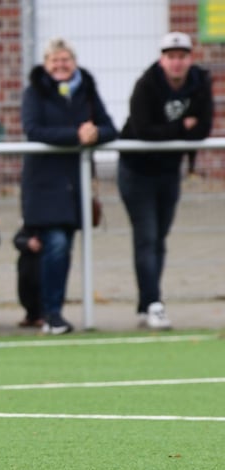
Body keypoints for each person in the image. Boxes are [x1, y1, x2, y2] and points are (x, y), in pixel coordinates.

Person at [20, 37, 117, 335]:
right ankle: (50, 313)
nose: (60, 66)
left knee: (63, 249)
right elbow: (33, 129)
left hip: (75, 186)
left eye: (65, 60)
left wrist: (95, 133)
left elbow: (110, 127)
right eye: (55, 61)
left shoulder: (86, 91)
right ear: (46, 64)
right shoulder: (34, 92)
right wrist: (77, 135)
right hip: (43, 184)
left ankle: (52, 311)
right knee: (55, 246)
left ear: (73, 62)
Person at [118, 31, 213, 330]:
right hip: (137, 171)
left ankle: (147, 303)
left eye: (181, 56)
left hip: (169, 172)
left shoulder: (199, 83)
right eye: (171, 57)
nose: (176, 62)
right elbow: (144, 129)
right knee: (145, 237)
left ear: (189, 59)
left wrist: (176, 130)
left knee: (159, 239)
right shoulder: (147, 84)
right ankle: (155, 303)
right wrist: (181, 126)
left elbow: (203, 129)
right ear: (162, 59)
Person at [12, 225, 43, 328]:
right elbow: (17, 240)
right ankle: (31, 315)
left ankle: (41, 316)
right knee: (25, 290)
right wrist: (27, 243)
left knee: (40, 288)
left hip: (41, 263)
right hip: (26, 264)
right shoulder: (28, 226)